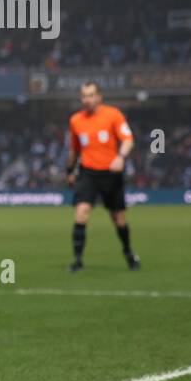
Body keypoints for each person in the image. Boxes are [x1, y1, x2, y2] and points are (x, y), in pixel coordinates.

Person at [66, 82, 139, 271]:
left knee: (118, 219)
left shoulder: (113, 115)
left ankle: (129, 253)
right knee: (81, 213)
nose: (87, 99)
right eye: (84, 96)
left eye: (90, 95)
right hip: (88, 172)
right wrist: (70, 170)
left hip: (111, 173)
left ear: (99, 97)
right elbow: (74, 149)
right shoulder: (75, 120)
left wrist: (121, 157)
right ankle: (77, 261)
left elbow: (128, 140)